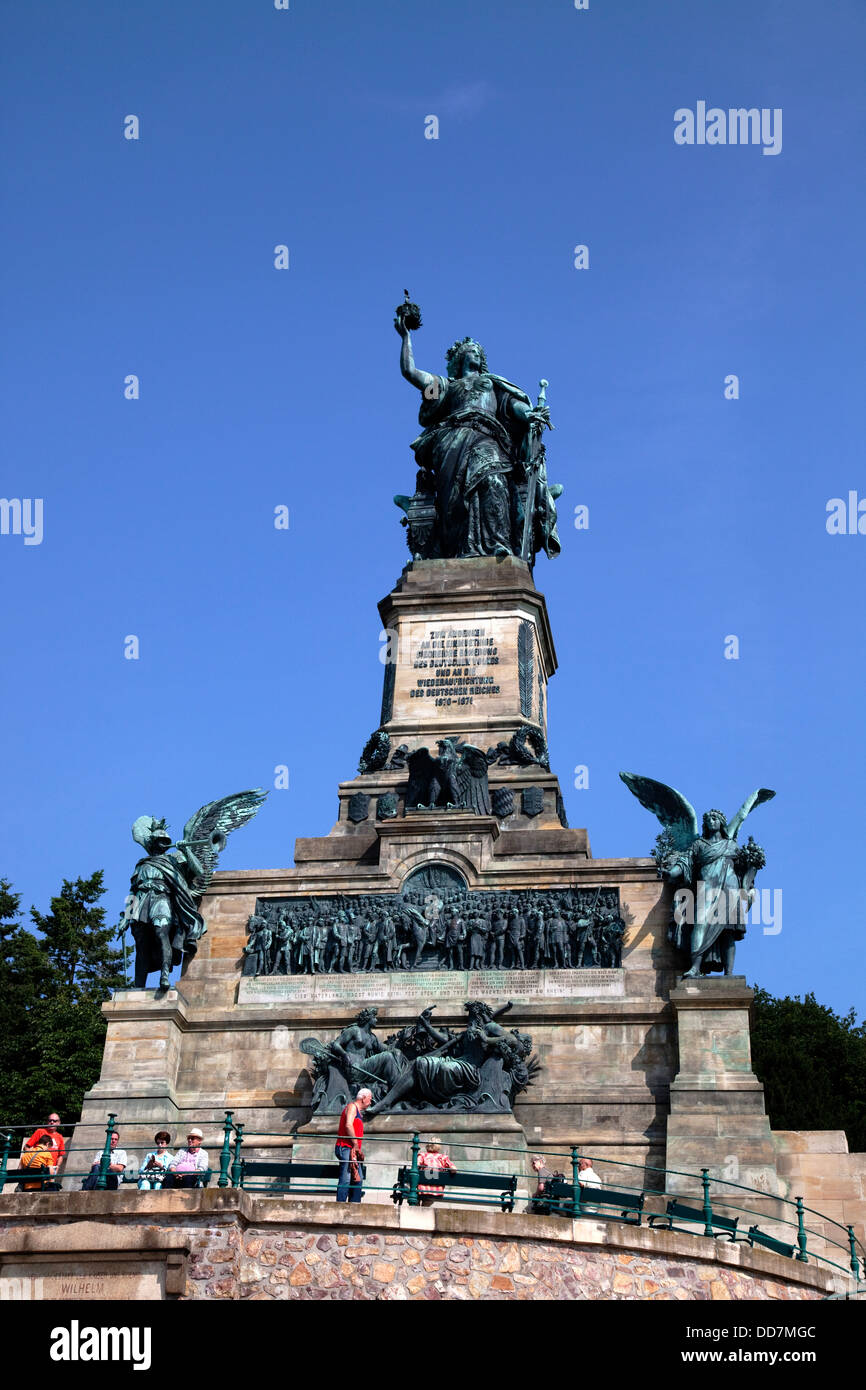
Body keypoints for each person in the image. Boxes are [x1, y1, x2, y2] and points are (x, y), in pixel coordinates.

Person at [335, 1088, 372, 1204]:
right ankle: (340, 1205)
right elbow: (348, 1125)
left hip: (353, 1151)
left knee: (358, 1178)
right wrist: (355, 1144)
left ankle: (354, 1205)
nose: (370, 1102)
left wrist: (356, 1148)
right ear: (364, 1098)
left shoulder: (359, 1112)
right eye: (370, 1099)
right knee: (346, 1178)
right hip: (345, 1147)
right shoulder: (352, 1107)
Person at [417, 1137, 455, 1204]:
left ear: (427, 1146)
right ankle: (424, 1209)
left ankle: (416, 1208)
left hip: (422, 1189)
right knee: (427, 1203)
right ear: (439, 1147)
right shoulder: (443, 1158)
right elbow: (454, 1170)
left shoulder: (422, 1155)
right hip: (436, 1190)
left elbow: (415, 1166)